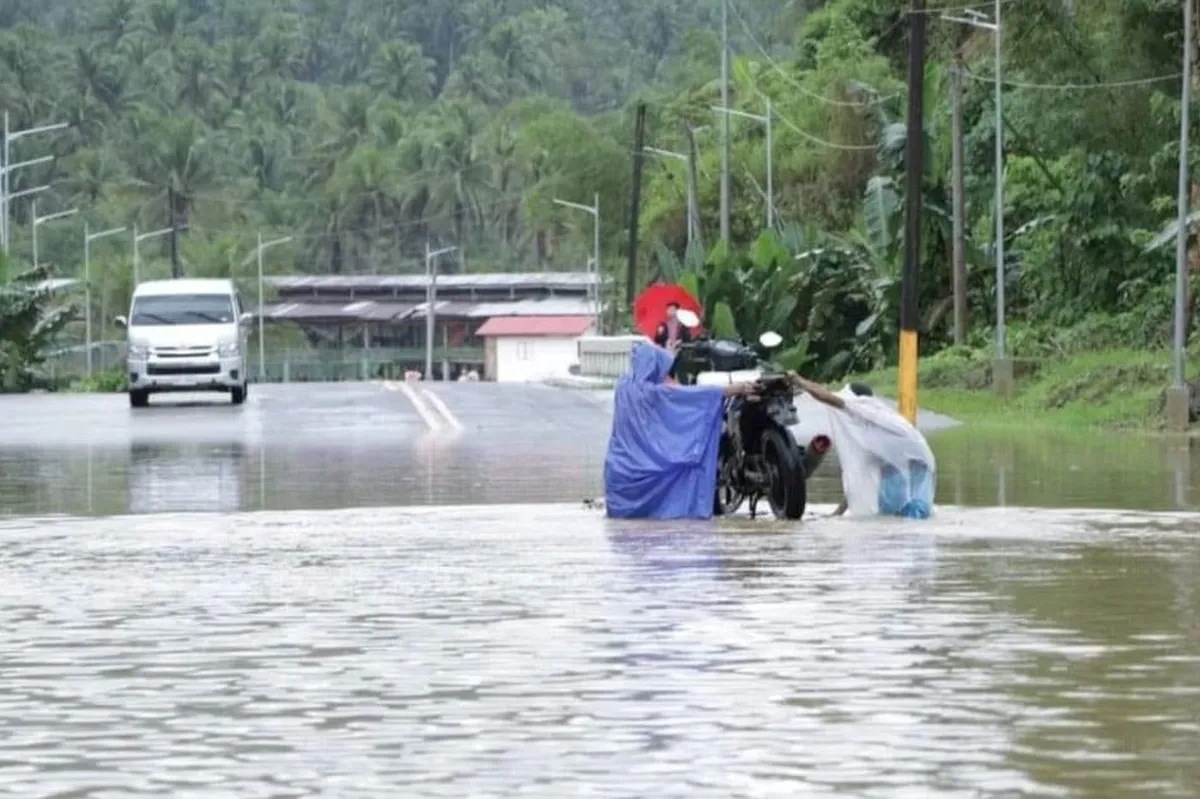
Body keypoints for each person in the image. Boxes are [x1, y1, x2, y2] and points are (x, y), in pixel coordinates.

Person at [604, 342, 754, 519]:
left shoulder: (623, 387)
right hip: (646, 471)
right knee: (687, 462)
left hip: (618, 473)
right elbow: (695, 396)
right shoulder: (654, 393)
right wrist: (738, 388)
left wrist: (665, 353)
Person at [790, 375, 936, 519]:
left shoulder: (862, 408)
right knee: (892, 514)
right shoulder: (871, 426)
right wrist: (837, 514)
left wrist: (800, 381)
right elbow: (857, 482)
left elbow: (826, 397)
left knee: (909, 513)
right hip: (914, 459)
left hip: (913, 461)